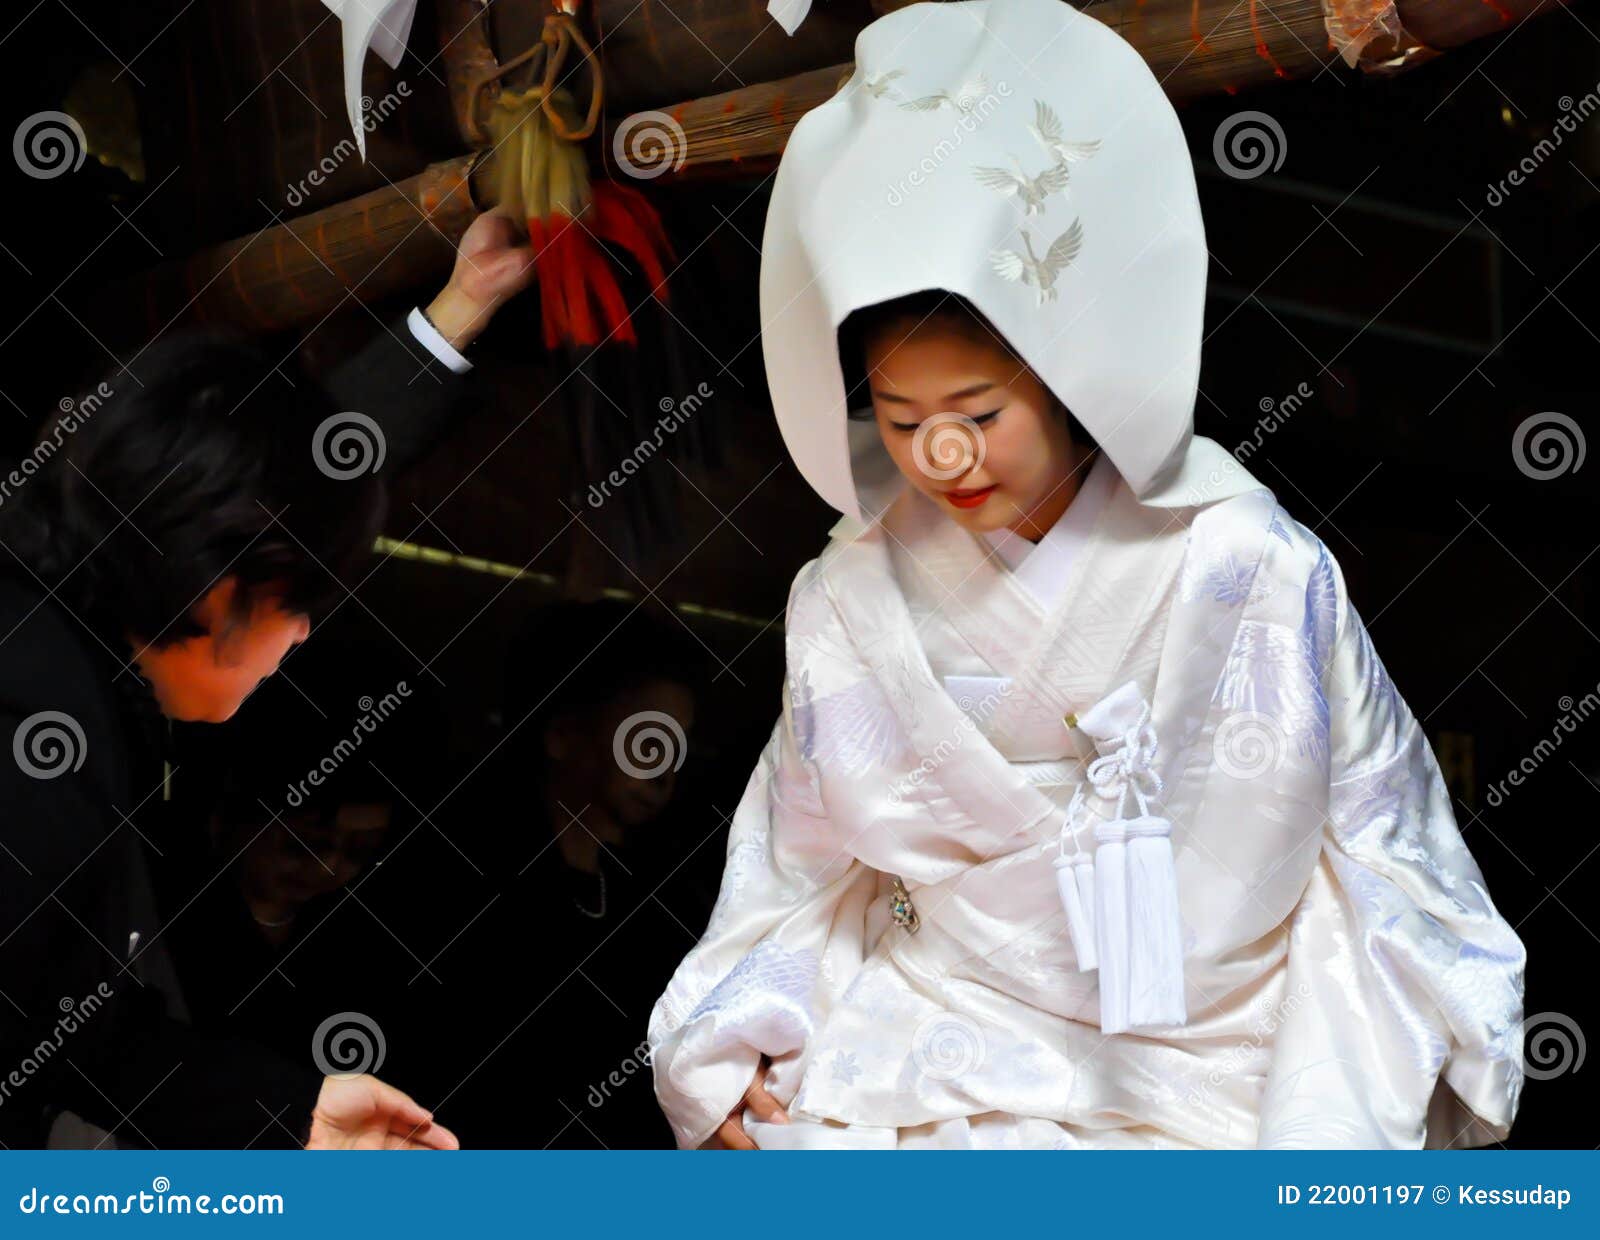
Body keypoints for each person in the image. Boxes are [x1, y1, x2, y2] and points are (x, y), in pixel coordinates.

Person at [647, 0, 1526, 1150]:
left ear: (1071, 377)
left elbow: (1381, 824)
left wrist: (1445, 1007)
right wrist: (729, 1033)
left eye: (979, 412)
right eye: (902, 419)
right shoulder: (849, 593)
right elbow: (795, 858)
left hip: (1222, 1046)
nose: (941, 456)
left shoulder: (1244, 561)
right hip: (933, 1037)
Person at [0, 210, 534, 1149]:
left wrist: (291, 1118)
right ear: (216, 576)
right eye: (301, 600)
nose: (300, 641)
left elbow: (72, 1025)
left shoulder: (71, 617)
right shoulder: (33, 747)